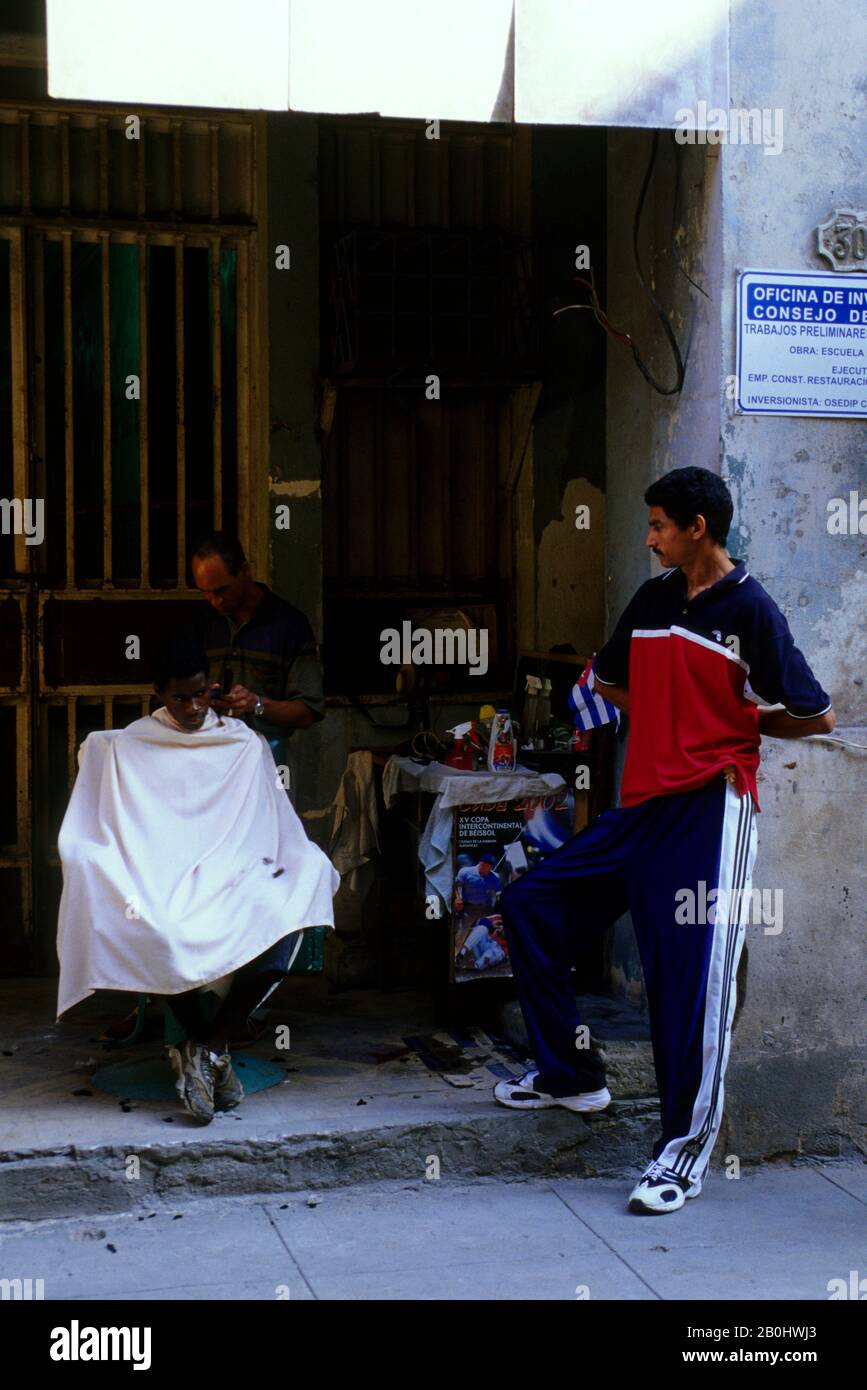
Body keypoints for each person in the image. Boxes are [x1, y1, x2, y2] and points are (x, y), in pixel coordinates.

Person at [494, 467, 835, 1215]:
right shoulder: (653, 599)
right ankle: (571, 1075)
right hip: (640, 805)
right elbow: (608, 678)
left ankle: (679, 1156)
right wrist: (668, 710)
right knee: (530, 907)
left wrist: (732, 723)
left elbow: (816, 716)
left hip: (710, 814)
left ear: (696, 528)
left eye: (656, 525)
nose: (647, 538)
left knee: (687, 986)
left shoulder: (751, 610)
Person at [56, 638, 339, 1126]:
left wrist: (266, 861)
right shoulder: (132, 743)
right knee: (160, 927)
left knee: (297, 890)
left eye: (200, 695)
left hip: (237, 867)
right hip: (159, 873)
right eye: (179, 698)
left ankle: (204, 1050)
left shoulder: (242, 742)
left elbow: (273, 822)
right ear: (158, 693)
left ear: (212, 687)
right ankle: (214, 1054)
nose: (192, 708)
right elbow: (119, 819)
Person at [190, 531, 324, 758]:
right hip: (209, 758)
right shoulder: (202, 623)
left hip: (268, 758)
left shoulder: (289, 625)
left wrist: (257, 704)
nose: (215, 602)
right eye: (206, 593)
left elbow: (307, 713)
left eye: (222, 590)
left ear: (244, 572)